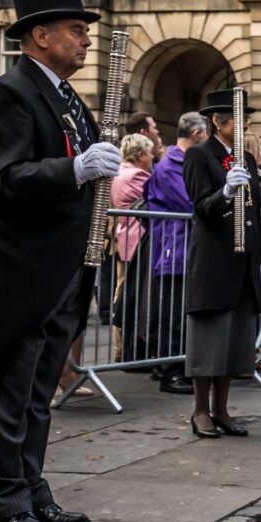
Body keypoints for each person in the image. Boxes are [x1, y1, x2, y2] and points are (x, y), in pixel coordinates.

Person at [0, 0, 120, 522]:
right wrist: (75, 169)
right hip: (17, 266)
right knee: (6, 387)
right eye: (76, 30)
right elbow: (3, 176)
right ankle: (4, 499)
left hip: (59, 266)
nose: (86, 41)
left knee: (39, 391)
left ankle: (31, 487)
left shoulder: (67, 96)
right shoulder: (10, 92)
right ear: (40, 35)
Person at [182, 91, 261, 439]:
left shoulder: (245, 157)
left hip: (243, 257)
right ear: (217, 121)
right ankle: (201, 410)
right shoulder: (200, 156)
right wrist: (226, 194)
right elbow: (202, 206)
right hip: (215, 258)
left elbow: (257, 205)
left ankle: (222, 408)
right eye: (238, 117)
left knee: (233, 339)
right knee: (209, 338)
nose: (246, 122)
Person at [144, 112, 210, 395]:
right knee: (172, 312)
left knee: (179, 310)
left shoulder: (181, 162)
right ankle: (170, 371)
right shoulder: (171, 165)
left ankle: (174, 366)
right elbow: (190, 202)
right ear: (197, 135)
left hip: (185, 246)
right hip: (174, 247)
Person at [111, 133, 154, 364]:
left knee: (123, 292)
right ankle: (126, 349)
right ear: (139, 156)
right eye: (149, 152)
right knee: (127, 295)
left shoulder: (120, 170)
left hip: (125, 237)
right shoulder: (137, 174)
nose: (153, 156)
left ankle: (123, 348)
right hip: (135, 238)